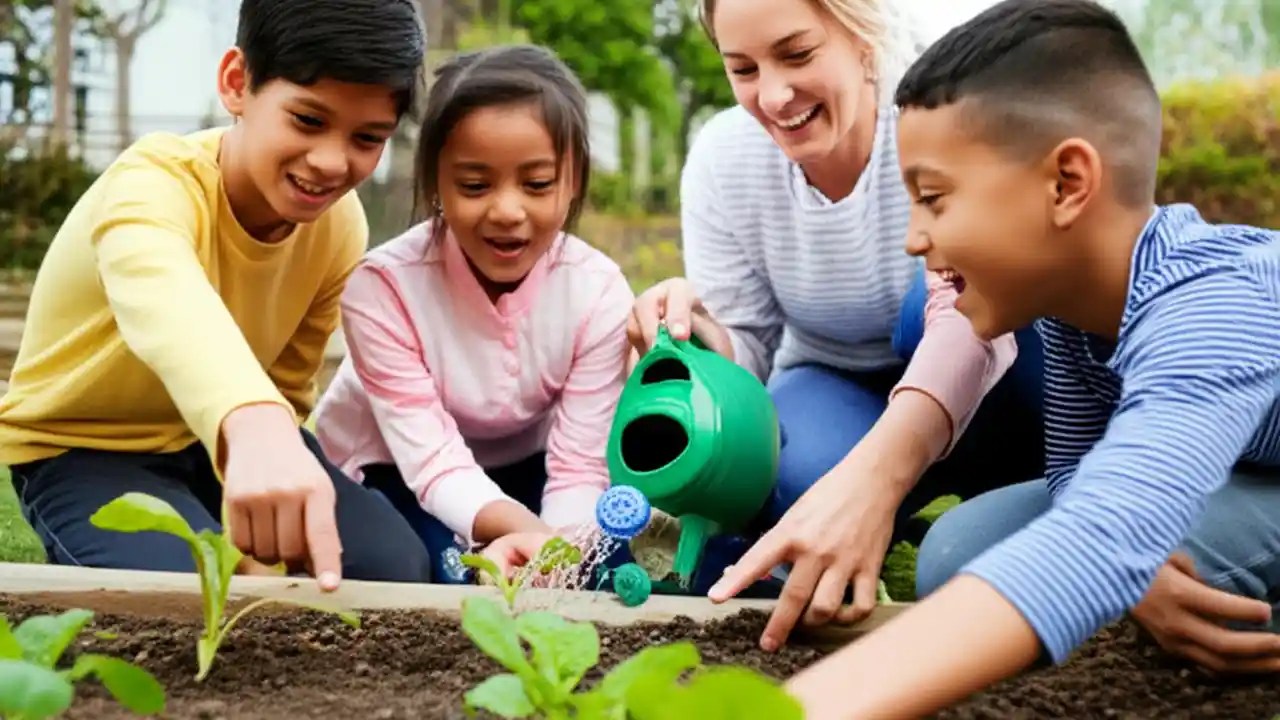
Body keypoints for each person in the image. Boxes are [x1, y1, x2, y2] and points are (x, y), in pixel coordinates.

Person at [784, 1, 1280, 717]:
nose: (914, 240)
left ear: (1066, 184)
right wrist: (1132, 576)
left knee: (1152, 555)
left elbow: (1099, 535)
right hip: (1251, 477)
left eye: (934, 199)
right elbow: (1077, 473)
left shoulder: (1214, 307)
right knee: (961, 551)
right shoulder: (1074, 317)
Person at [634, 0, 1046, 645]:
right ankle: (890, 523)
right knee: (793, 487)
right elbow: (749, 343)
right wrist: (698, 344)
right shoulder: (723, 160)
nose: (773, 95)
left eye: (797, 55)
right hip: (838, 375)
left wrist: (873, 483)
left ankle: (1007, 492)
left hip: (1001, 367)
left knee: (933, 311)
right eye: (742, 69)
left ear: (861, 33)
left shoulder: (939, 108)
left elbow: (963, 316)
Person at [0, 0, 433, 590]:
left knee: (391, 567)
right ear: (237, 82)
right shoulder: (151, 184)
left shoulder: (339, 225)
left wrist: (255, 502)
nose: (332, 162)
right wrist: (253, 427)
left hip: (226, 444)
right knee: (184, 594)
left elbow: (284, 387)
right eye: (307, 120)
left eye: (367, 137)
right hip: (83, 449)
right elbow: (166, 300)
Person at [313, 45, 634, 584]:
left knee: (599, 568)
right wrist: (522, 535)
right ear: (436, 182)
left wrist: (554, 553)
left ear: (573, 179)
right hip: (395, 469)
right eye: (474, 185)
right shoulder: (385, 289)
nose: (507, 212)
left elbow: (579, 465)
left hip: (530, 469)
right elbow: (432, 460)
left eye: (536, 184)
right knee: (446, 577)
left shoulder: (597, 292)